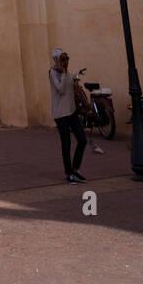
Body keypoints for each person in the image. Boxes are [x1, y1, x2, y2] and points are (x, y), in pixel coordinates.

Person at [49, 48, 87, 183]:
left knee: (82, 140)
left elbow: (70, 88)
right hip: (60, 114)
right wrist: (64, 72)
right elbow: (61, 89)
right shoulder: (53, 73)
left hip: (72, 112)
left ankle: (76, 169)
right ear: (57, 61)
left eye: (67, 59)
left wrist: (76, 86)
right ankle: (68, 174)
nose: (66, 62)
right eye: (63, 59)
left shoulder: (68, 74)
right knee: (66, 143)